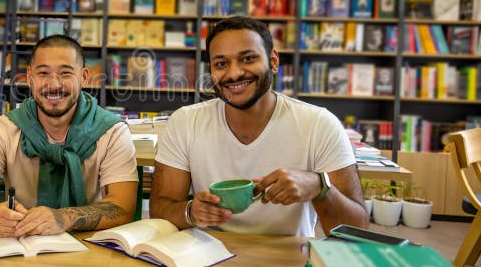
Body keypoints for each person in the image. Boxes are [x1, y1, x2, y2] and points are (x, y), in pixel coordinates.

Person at [150, 16, 368, 237]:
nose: (234, 73)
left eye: (248, 58)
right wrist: (190, 212)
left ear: (273, 62)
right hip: (208, 253)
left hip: (289, 255)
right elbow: (159, 209)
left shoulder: (319, 124)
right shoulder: (185, 122)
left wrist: (320, 187)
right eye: (221, 64)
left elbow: (357, 231)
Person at [0, 35, 138, 237]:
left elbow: (123, 206)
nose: (54, 84)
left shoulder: (112, 132)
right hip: (19, 243)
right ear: (29, 77)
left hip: (88, 244)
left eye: (65, 73)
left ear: (84, 77)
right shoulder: (3, 129)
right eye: (43, 73)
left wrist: (63, 218)